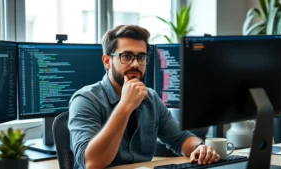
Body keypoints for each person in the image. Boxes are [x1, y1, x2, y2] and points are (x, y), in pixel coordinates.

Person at [68, 25, 220, 169]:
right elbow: (91, 163)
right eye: (126, 56)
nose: (135, 64)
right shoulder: (85, 99)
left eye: (141, 57)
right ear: (107, 61)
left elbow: (180, 139)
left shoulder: (151, 98)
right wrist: (125, 105)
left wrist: (200, 148)